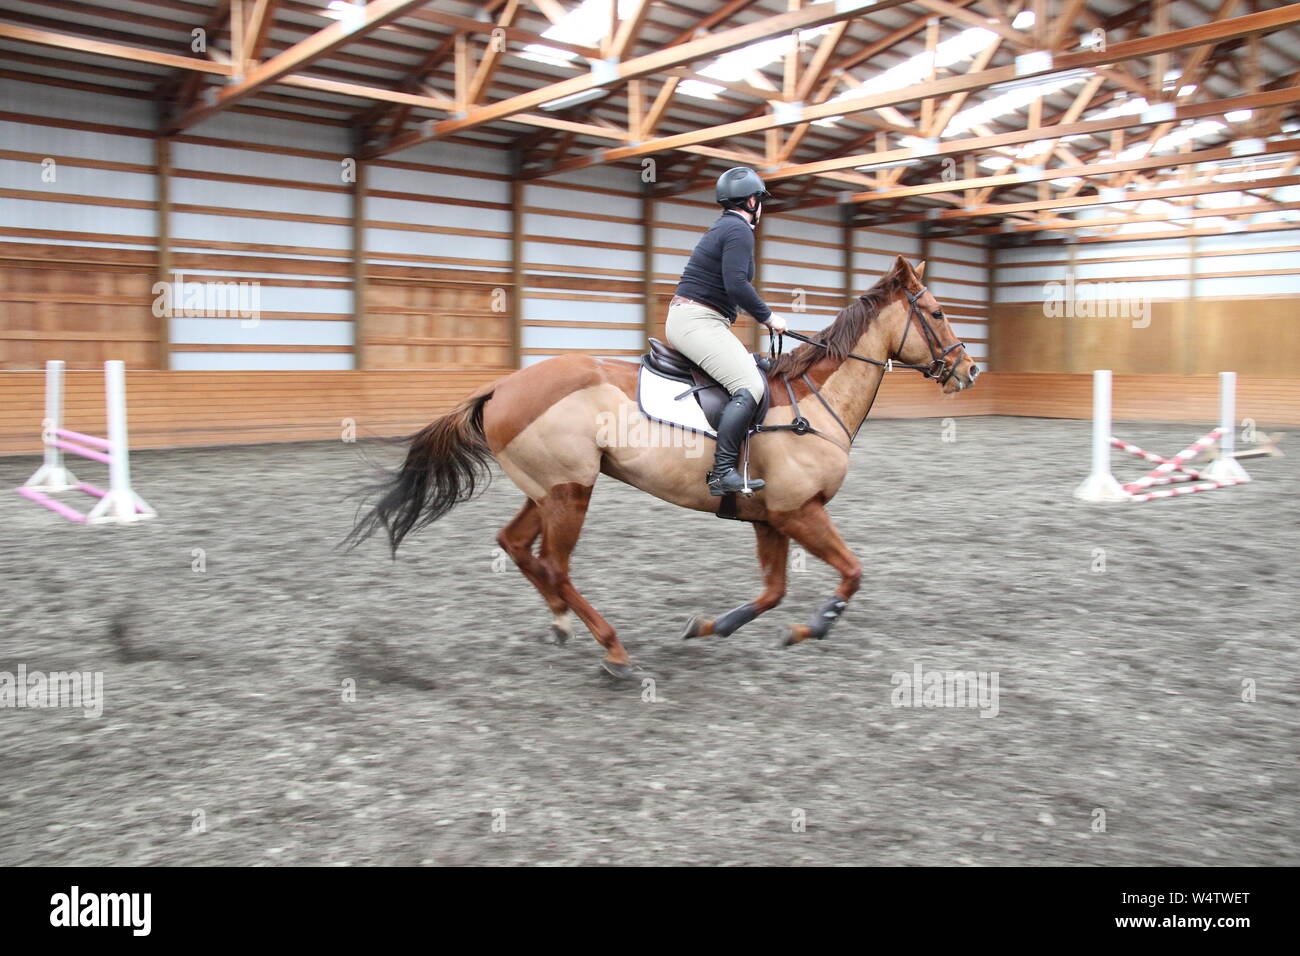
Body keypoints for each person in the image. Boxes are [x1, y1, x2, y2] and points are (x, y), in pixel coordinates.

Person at [667, 167, 788, 496]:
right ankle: (722, 472)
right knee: (750, 386)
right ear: (751, 201)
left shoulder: (728, 228)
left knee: (755, 365)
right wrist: (769, 317)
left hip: (705, 321)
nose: (760, 206)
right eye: (760, 200)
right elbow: (736, 285)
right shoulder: (739, 230)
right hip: (697, 320)